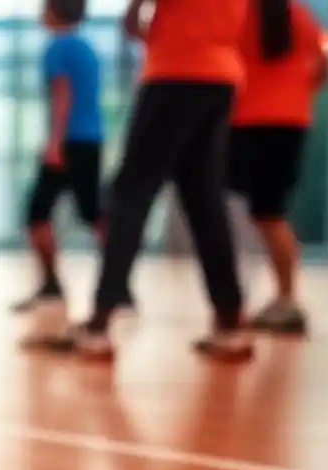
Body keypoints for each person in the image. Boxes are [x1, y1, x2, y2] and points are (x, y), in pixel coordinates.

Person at [49, 0, 258, 362]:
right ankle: (231, 323)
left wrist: (139, 24)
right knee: (204, 199)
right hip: (222, 77)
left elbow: (134, 20)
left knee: (131, 194)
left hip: (174, 70)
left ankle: (99, 325)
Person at [14, 0, 127, 315]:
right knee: (91, 212)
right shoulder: (87, 48)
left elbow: (63, 94)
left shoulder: (57, 47)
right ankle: (118, 285)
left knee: (39, 213)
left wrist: (54, 143)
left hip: (71, 142)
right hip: (90, 140)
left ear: (55, 11)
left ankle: (56, 285)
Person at [229, 0, 328, 336]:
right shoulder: (299, 13)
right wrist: (301, 93)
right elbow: (324, 61)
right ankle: (285, 297)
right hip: (290, 120)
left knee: (247, 211)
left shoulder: (238, 11)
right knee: (270, 213)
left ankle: (249, 300)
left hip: (246, 119)